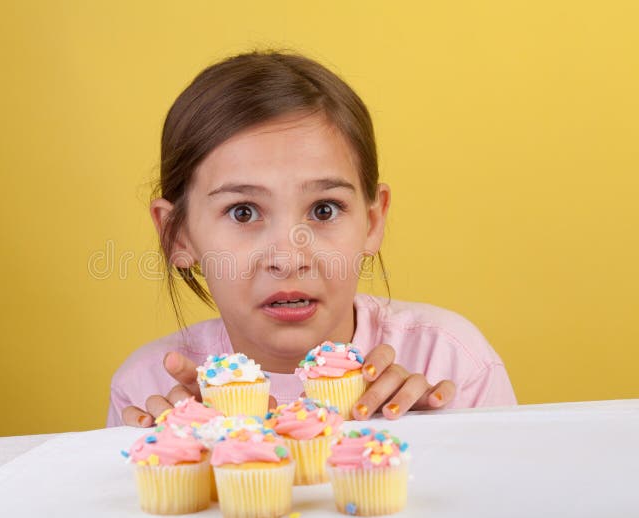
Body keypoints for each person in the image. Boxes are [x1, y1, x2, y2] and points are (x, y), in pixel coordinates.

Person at [107, 49, 516, 428]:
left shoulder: (453, 363)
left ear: (373, 222)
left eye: (324, 210)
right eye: (243, 212)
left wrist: (442, 441)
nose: (288, 259)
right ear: (177, 233)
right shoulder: (147, 393)